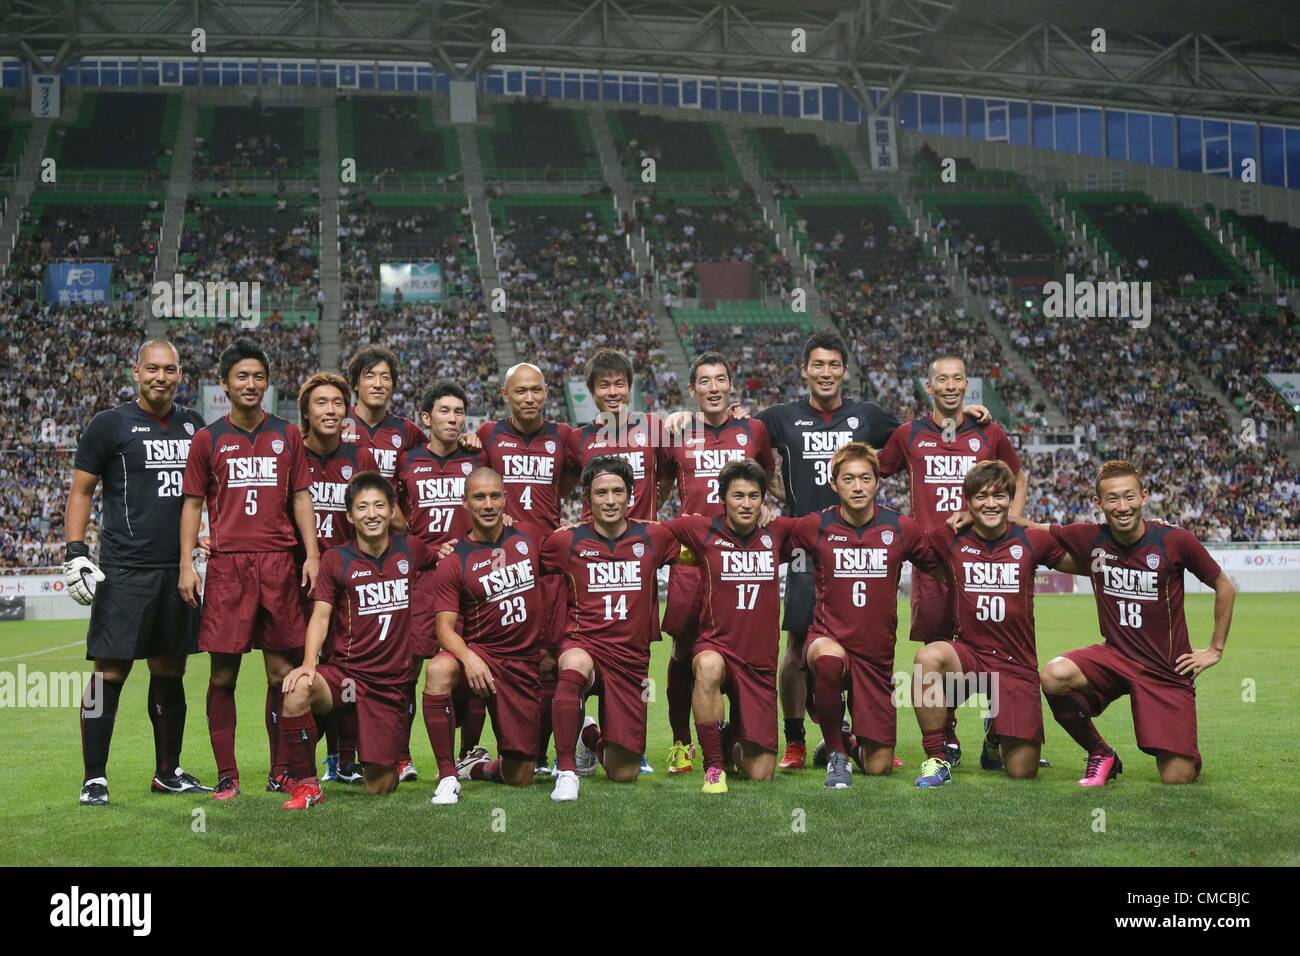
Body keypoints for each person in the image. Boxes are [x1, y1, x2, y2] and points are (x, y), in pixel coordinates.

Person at [753, 332, 989, 770]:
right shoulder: (782, 418)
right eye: (817, 366)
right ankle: (798, 739)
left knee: (867, 640)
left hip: (860, 546)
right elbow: (740, 435)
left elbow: (921, 432)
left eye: (834, 366)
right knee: (798, 648)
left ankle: (859, 735)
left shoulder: (867, 417)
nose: (826, 373)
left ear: (845, 371)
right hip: (812, 548)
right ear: (804, 370)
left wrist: (962, 416)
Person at [65, 339, 210, 805]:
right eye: (152, 369)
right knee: (109, 673)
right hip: (125, 570)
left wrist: (208, 535)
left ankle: (167, 771)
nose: (160, 377)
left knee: (170, 670)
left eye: (169, 370)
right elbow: (82, 491)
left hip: (179, 570)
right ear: (136, 372)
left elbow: (207, 492)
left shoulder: (194, 425)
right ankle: (94, 777)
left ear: (180, 373)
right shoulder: (109, 424)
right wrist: (75, 551)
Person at [179, 338, 318, 800]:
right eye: (242, 376)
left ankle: (281, 771)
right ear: (224, 384)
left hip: (280, 563)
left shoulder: (287, 434)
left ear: (267, 382)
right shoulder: (208, 438)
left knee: (282, 674)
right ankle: (227, 775)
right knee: (223, 676)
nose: (251, 384)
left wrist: (312, 554)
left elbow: (301, 496)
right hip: (228, 567)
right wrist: (187, 564)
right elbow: (193, 503)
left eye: (258, 376)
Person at [1039, 460, 1236, 786]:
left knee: (1177, 778)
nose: (1122, 506)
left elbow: (1224, 587)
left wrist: (1214, 649)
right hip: (1116, 657)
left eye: (1129, 496)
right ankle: (1100, 752)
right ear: (1098, 504)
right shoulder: (1090, 538)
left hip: (1166, 670)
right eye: (1112, 499)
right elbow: (1034, 528)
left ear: (1144, 496)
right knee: (1054, 674)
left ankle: (1182, 747)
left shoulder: (1176, 540)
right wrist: (980, 516)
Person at [877, 354, 1026, 767]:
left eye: (957, 379)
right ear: (929, 386)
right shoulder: (908, 434)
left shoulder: (987, 430)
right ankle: (947, 734)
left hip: (984, 561)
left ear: (966, 386)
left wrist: (1011, 521)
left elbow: (1017, 474)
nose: (949, 385)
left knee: (997, 645)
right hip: (933, 564)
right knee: (937, 653)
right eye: (941, 379)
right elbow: (873, 470)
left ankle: (999, 729)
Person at [910, 460, 1076, 789]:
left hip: (1016, 664)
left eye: (999, 496)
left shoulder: (1030, 540)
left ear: (1010, 499)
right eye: (981, 497)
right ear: (967, 501)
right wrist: (951, 573)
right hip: (970, 656)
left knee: (1022, 771)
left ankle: (993, 738)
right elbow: (913, 548)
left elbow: (1086, 559)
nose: (991, 503)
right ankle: (936, 757)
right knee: (928, 658)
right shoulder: (952, 538)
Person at [276, 471, 437, 808]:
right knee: (296, 689)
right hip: (345, 675)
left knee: (380, 785)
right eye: (362, 507)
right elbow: (320, 615)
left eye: (379, 505)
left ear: (393, 511)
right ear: (349, 516)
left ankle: (366, 751)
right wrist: (308, 665)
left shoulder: (412, 550)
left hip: (388, 685)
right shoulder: (336, 558)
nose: (372, 513)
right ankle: (307, 786)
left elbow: (446, 559)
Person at [791, 443, 944, 789]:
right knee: (828, 660)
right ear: (835, 484)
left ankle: (843, 740)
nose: (857, 486)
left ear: (877, 482)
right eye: (848, 479)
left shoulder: (901, 528)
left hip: (875, 657)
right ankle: (837, 756)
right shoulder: (815, 525)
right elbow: (766, 540)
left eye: (865, 478)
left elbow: (943, 566)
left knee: (878, 766)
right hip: (828, 639)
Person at [658, 351, 775, 774]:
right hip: (692, 562)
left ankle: (733, 735)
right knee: (684, 650)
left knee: (741, 649)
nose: (713, 387)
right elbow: (659, 488)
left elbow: (769, 480)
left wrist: (766, 510)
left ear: (731, 385)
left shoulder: (754, 430)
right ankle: (681, 744)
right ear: (692, 391)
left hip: (740, 560)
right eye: (703, 381)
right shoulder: (675, 433)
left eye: (720, 379)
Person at [541, 457, 682, 801]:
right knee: (572, 666)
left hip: (631, 660)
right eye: (600, 492)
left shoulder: (655, 536)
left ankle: (589, 735)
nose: (610, 500)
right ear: (587, 499)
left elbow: (698, 551)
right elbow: (531, 570)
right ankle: (567, 772)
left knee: (624, 772)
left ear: (631, 495)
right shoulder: (566, 542)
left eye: (618, 491)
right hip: (583, 643)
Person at [664, 460, 796, 793]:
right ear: (722, 498)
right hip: (717, 648)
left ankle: (728, 744)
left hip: (759, 666)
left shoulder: (777, 533)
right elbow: (646, 530)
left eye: (754, 496)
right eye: (738, 495)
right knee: (706, 666)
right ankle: (714, 767)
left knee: (761, 771)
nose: (747, 503)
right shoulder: (702, 530)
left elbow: (826, 526)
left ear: (763, 500)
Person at [476, 363, 577, 778]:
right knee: (511, 661)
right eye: (521, 392)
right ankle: (501, 751)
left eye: (537, 390)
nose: (530, 398)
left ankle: (546, 755)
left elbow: (571, 478)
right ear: (505, 395)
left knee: (551, 661)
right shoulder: (486, 436)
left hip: (549, 567)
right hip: (505, 568)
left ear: (547, 392)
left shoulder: (563, 436)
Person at [424, 468, 545, 805]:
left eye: (495, 496)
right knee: (438, 670)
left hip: (522, 663)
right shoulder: (454, 560)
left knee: (520, 776)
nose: (488, 504)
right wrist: (468, 657)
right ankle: (447, 776)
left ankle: (476, 766)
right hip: (482, 654)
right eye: (479, 497)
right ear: (466, 503)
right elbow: (444, 628)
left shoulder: (531, 536)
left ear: (506, 499)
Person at [395, 382, 483, 768]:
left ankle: (468, 751)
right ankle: (402, 756)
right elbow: (392, 509)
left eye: (459, 411)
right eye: (444, 411)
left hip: (469, 574)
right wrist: (418, 545)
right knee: (410, 666)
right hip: (423, 575)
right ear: (427, 418)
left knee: (470, 659)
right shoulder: (407, 461)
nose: (452, 418)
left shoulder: (476, 461)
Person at [297, 371, 377, 784]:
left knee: (346, 670)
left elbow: (375, 510)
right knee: (300, 672)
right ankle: (295, 766)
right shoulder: (293, 454)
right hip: (302, 582)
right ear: (306, 412)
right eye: (321, 403)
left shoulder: (359, 456)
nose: (331, 410)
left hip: (350, 584)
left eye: (337, 403)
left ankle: (345, 759)